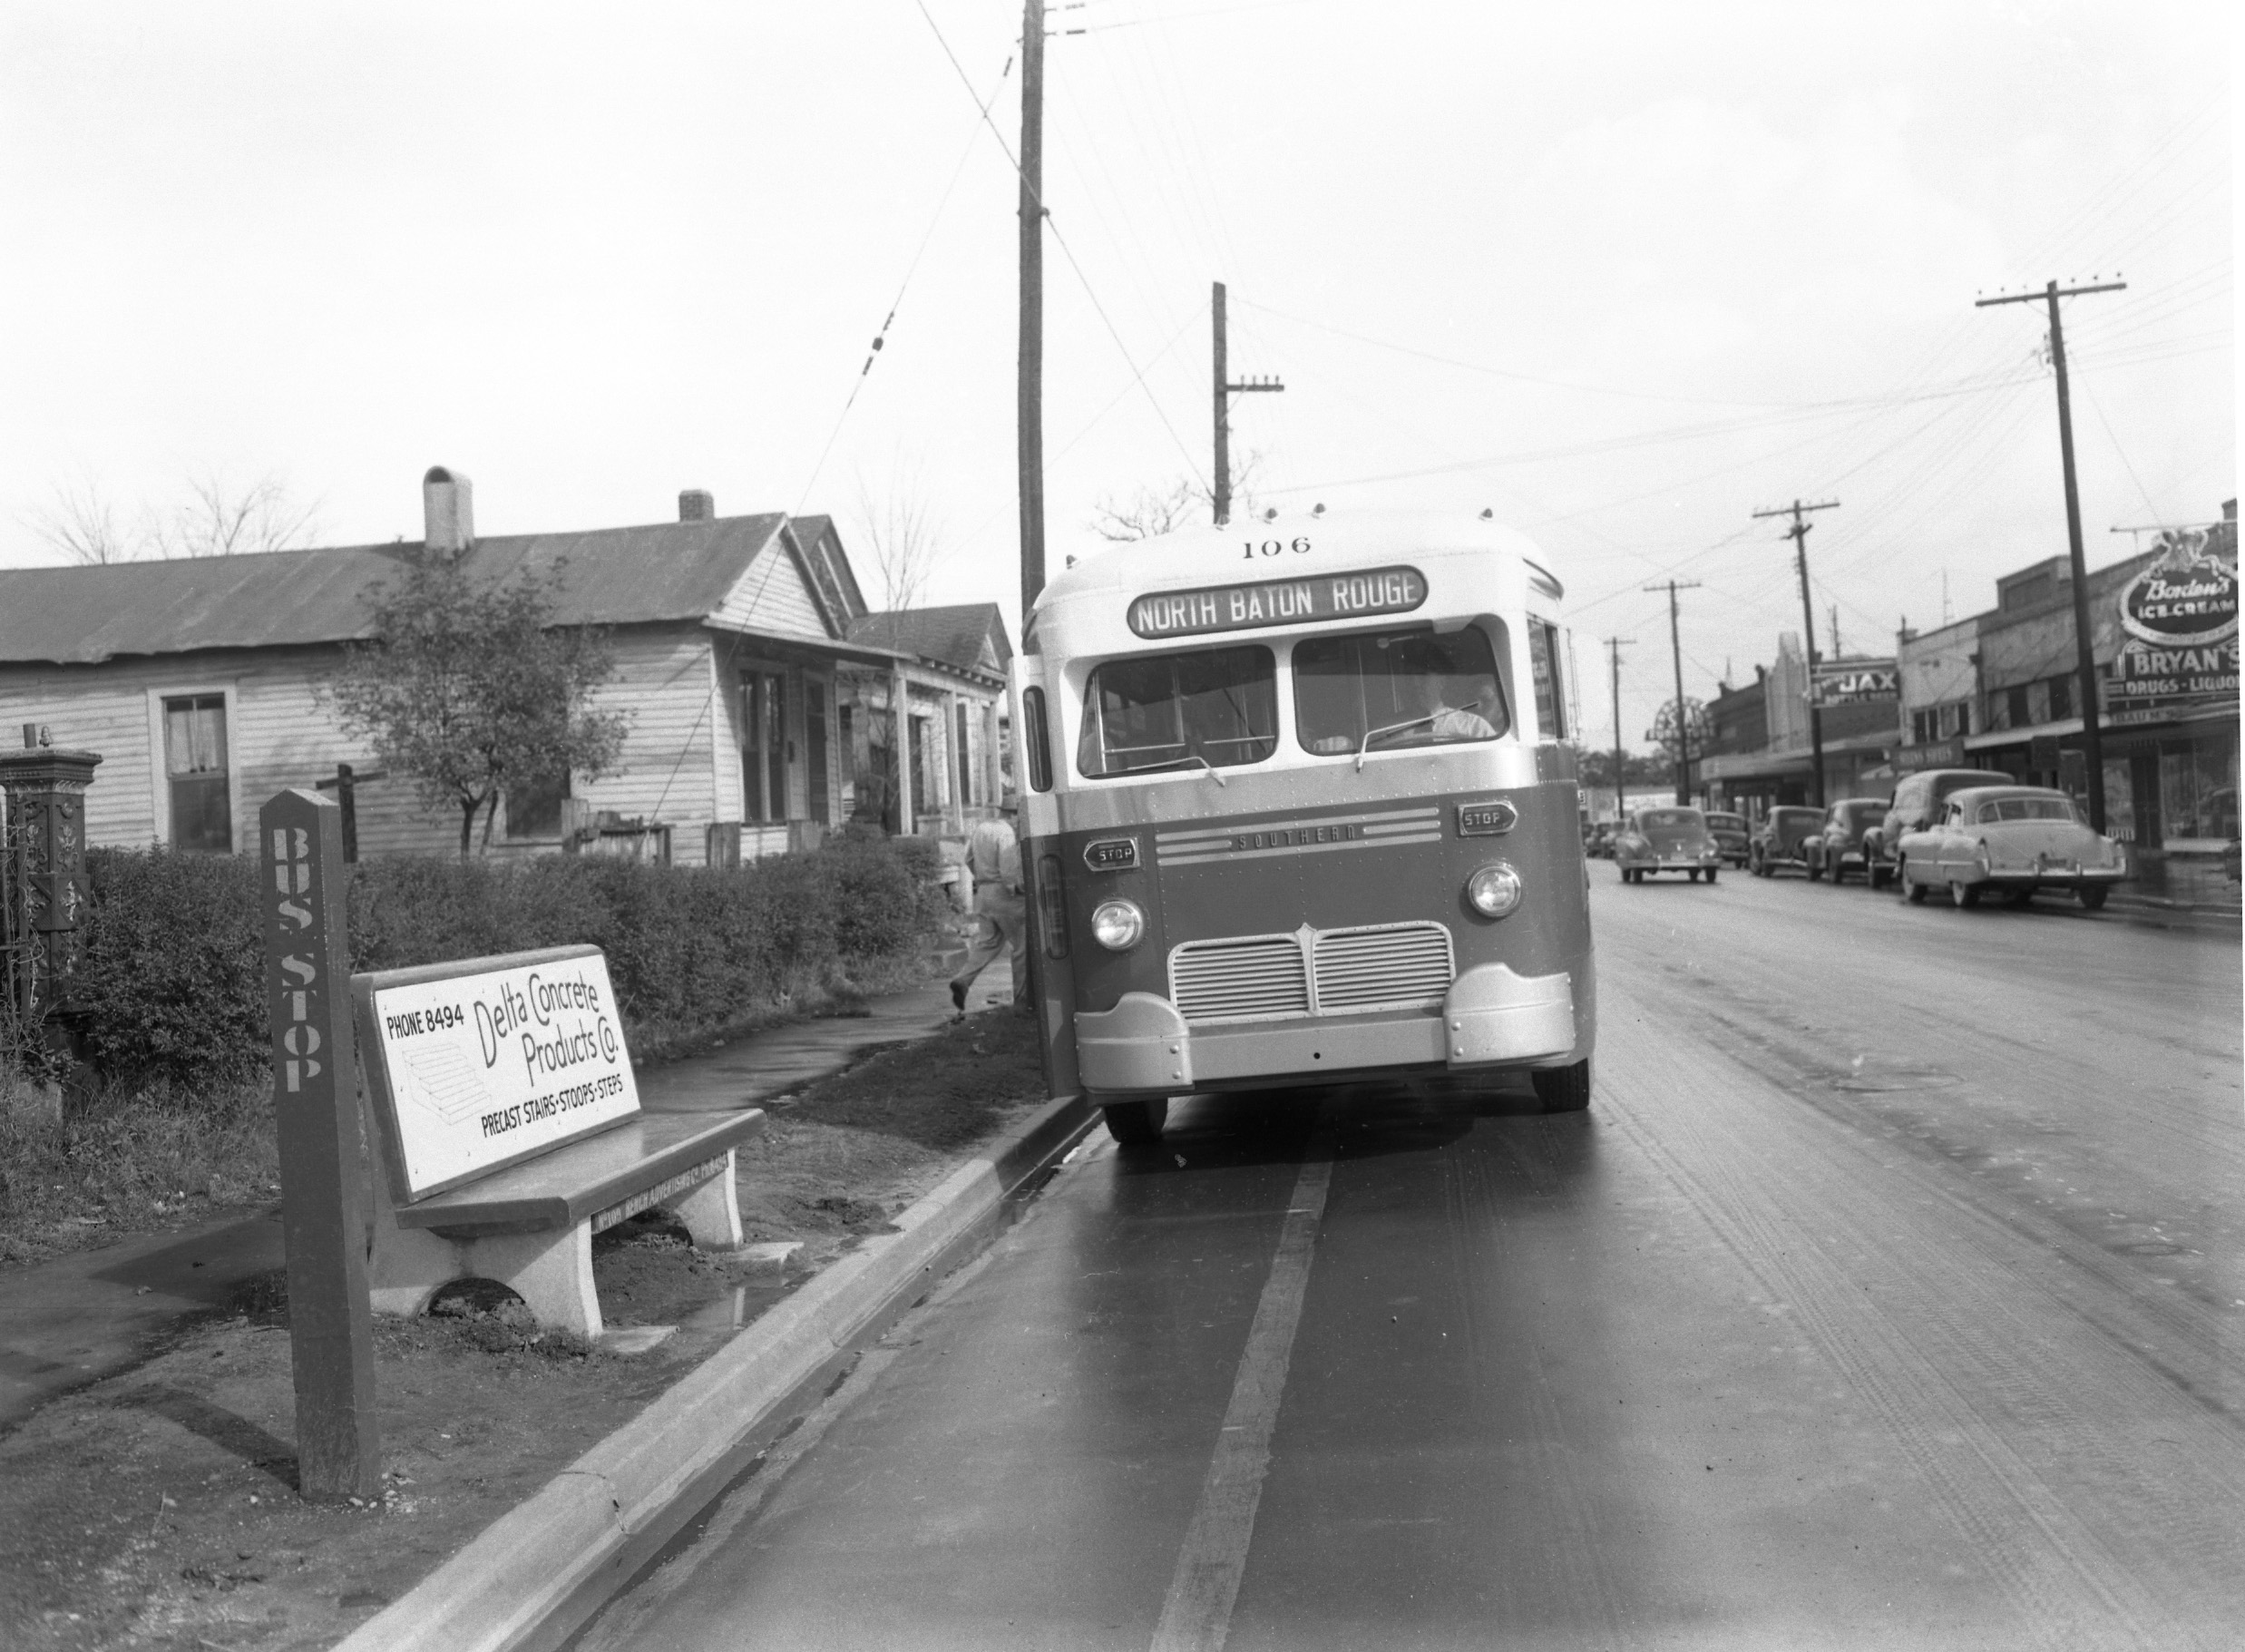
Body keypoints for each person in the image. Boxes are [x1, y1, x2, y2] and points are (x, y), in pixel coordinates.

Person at [950, 796, 1031, 1020]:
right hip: (1004, 894)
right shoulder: (1006, 832)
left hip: (984, 893)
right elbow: (1008, 868)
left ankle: (963, 980)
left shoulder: (981, 828)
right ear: (1014, 814)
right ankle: (1022, 1001)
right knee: (1022, 946)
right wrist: (1017, 888)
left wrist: (983, 880)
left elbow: (967, 859)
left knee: (988, 943)